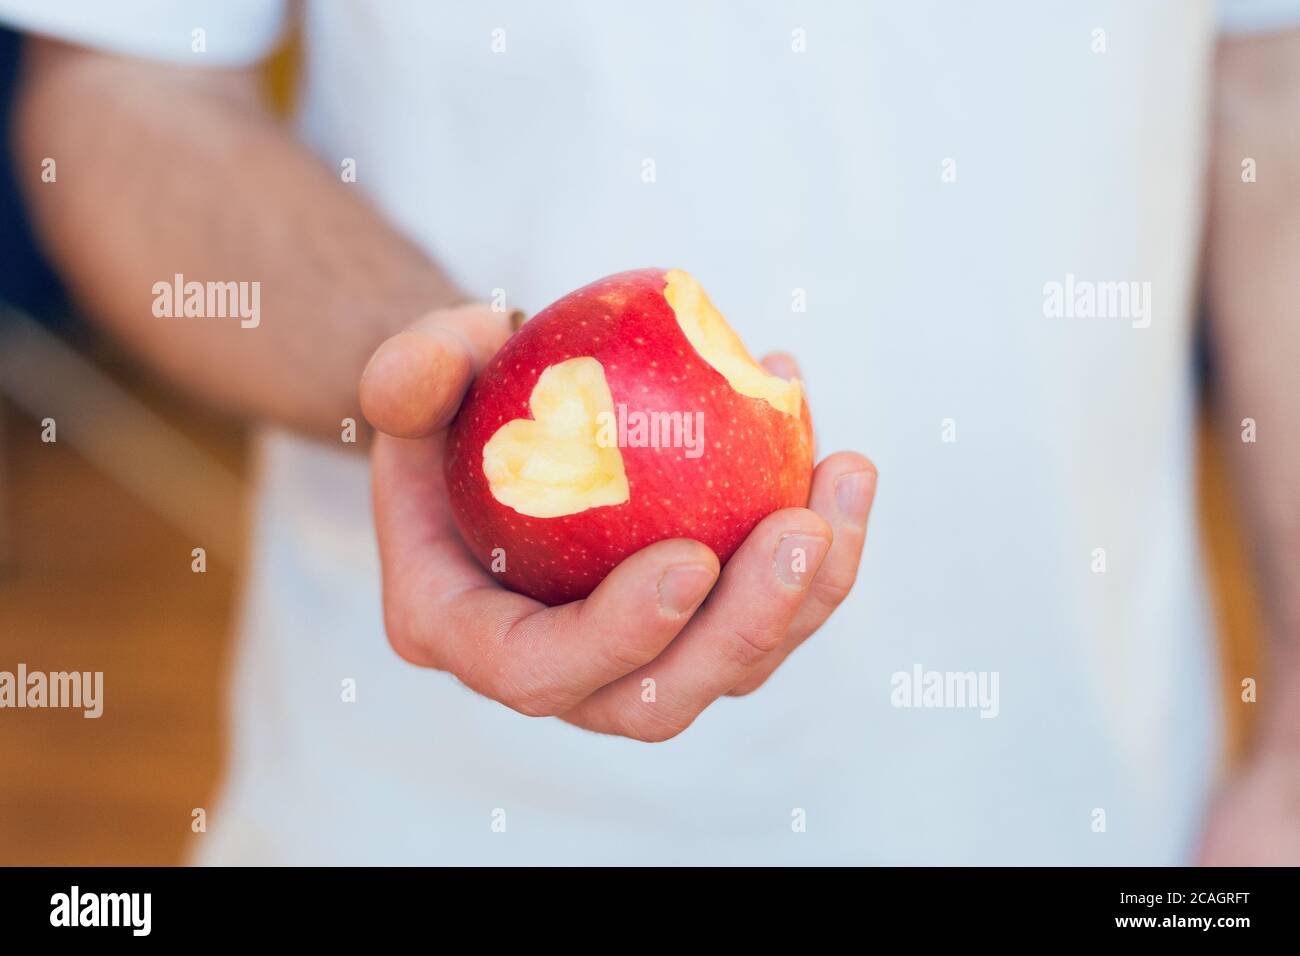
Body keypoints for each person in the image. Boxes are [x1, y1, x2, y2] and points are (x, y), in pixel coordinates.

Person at [3, 0, 1297, 865]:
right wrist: (433, 372)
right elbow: (127, 81)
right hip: (414, 810)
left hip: (1085, 798)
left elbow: (1274, 96)